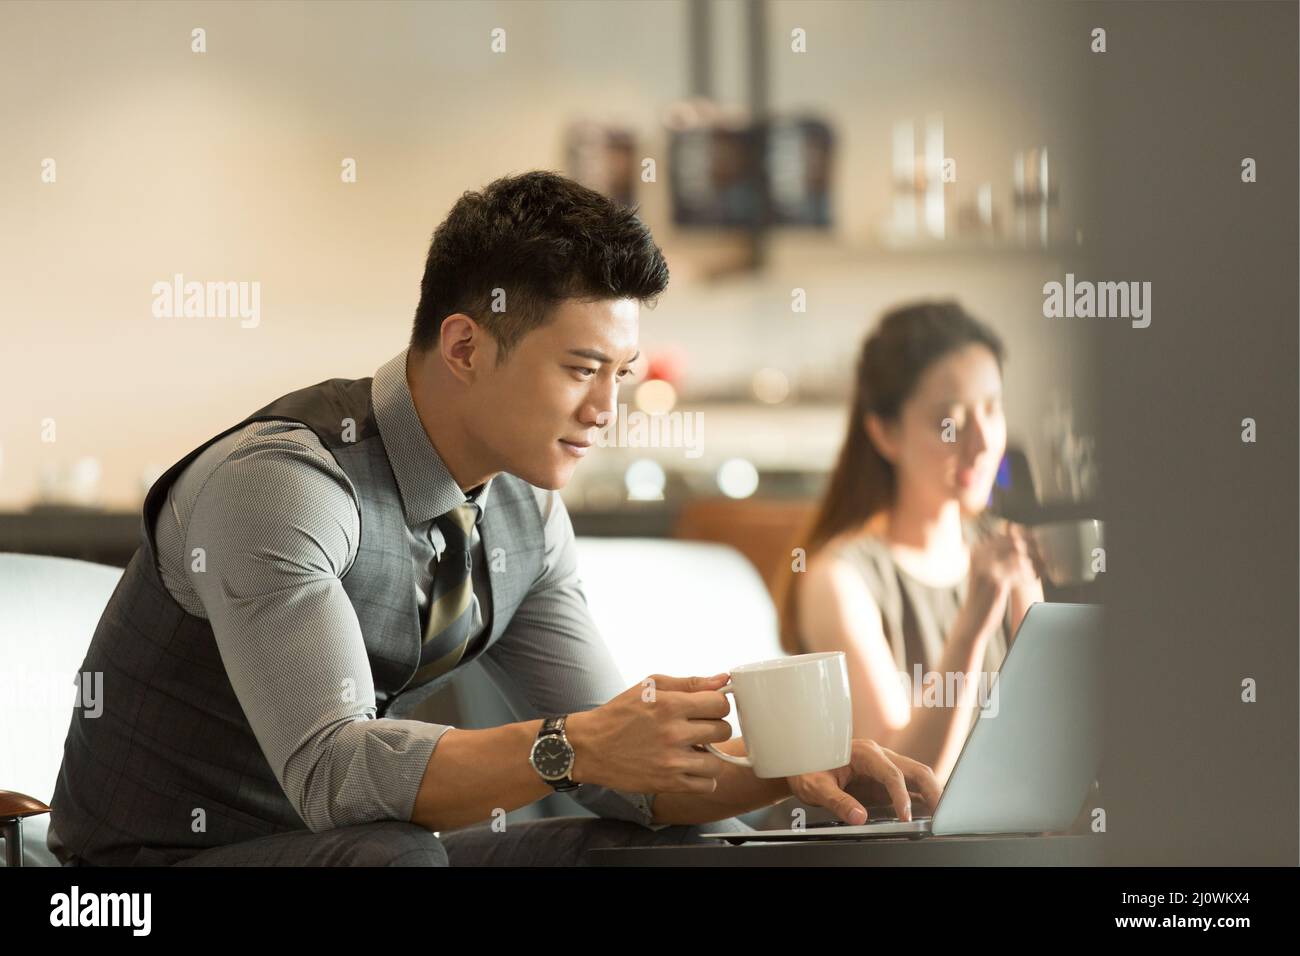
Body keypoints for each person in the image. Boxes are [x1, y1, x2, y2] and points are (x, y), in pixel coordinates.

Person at [47, 171, 939, 867]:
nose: (606, 408)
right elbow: (333, 775)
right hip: (139, 875)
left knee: (657, 854)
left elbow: (629, 787)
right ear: (467, 346)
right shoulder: (285, 484)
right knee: (395, 857)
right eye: (582, 367)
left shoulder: (524, 512)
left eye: (621, 375)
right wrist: (573, 748)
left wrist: (785, 775)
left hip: (352, 850)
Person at [773, 301, 1044, 823]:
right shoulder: (840, 577)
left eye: (992, 408)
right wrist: (972, 624)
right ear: (885, 433)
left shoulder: (1006, 555)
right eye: (949, 422)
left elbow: (1042, 740)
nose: (983, 442)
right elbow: (907, 786)